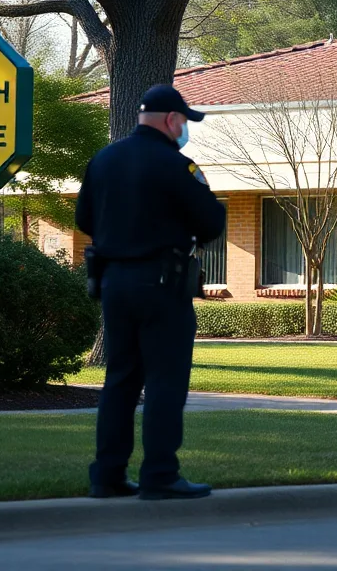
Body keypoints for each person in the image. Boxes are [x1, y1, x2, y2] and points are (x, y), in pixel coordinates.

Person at [76, 84, 226, 501]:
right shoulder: (175, 165)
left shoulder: (103, 160)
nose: (185, 130)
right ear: (171, 120)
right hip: (161, 284)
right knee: (165, 380)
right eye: (184, 122)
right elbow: (211, 222)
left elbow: (84, 216)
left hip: (113, 283)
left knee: (120, 379)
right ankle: (160, 474)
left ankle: (107, 475)